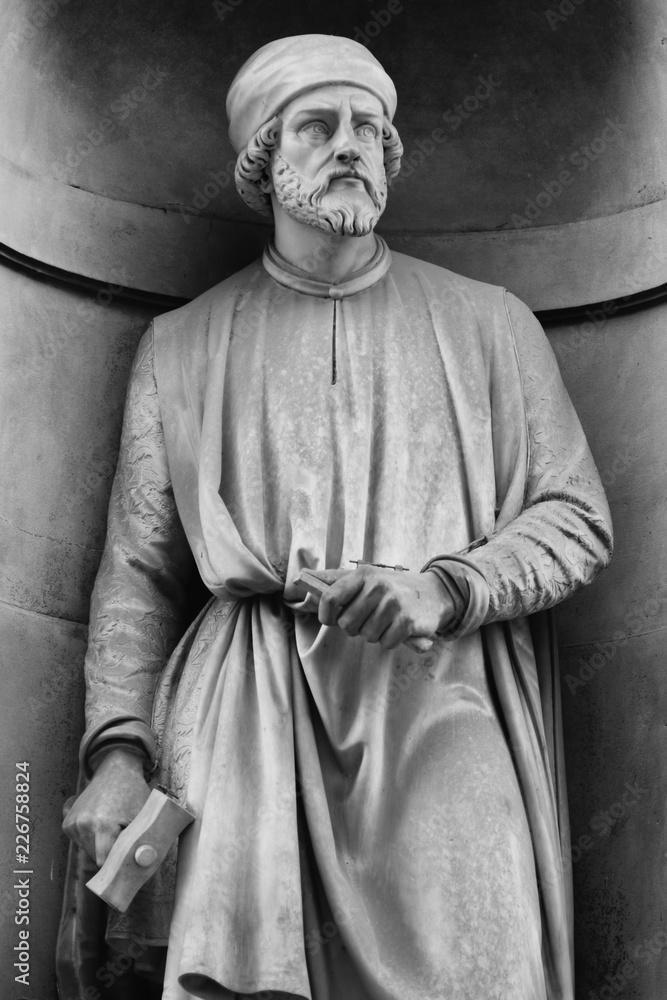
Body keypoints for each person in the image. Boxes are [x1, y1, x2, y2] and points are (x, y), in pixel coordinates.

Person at [63, 33, 613, 1000]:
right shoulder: (181, 347)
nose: (351, 144)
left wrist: (445, 586)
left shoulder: (490, 324)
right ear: (265, 163)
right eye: (318, 125)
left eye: (370, 126)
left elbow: (574, 517)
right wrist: (116, 750)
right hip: (245, 716)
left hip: (438, 700)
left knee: (486, 969)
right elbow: (138, 577)